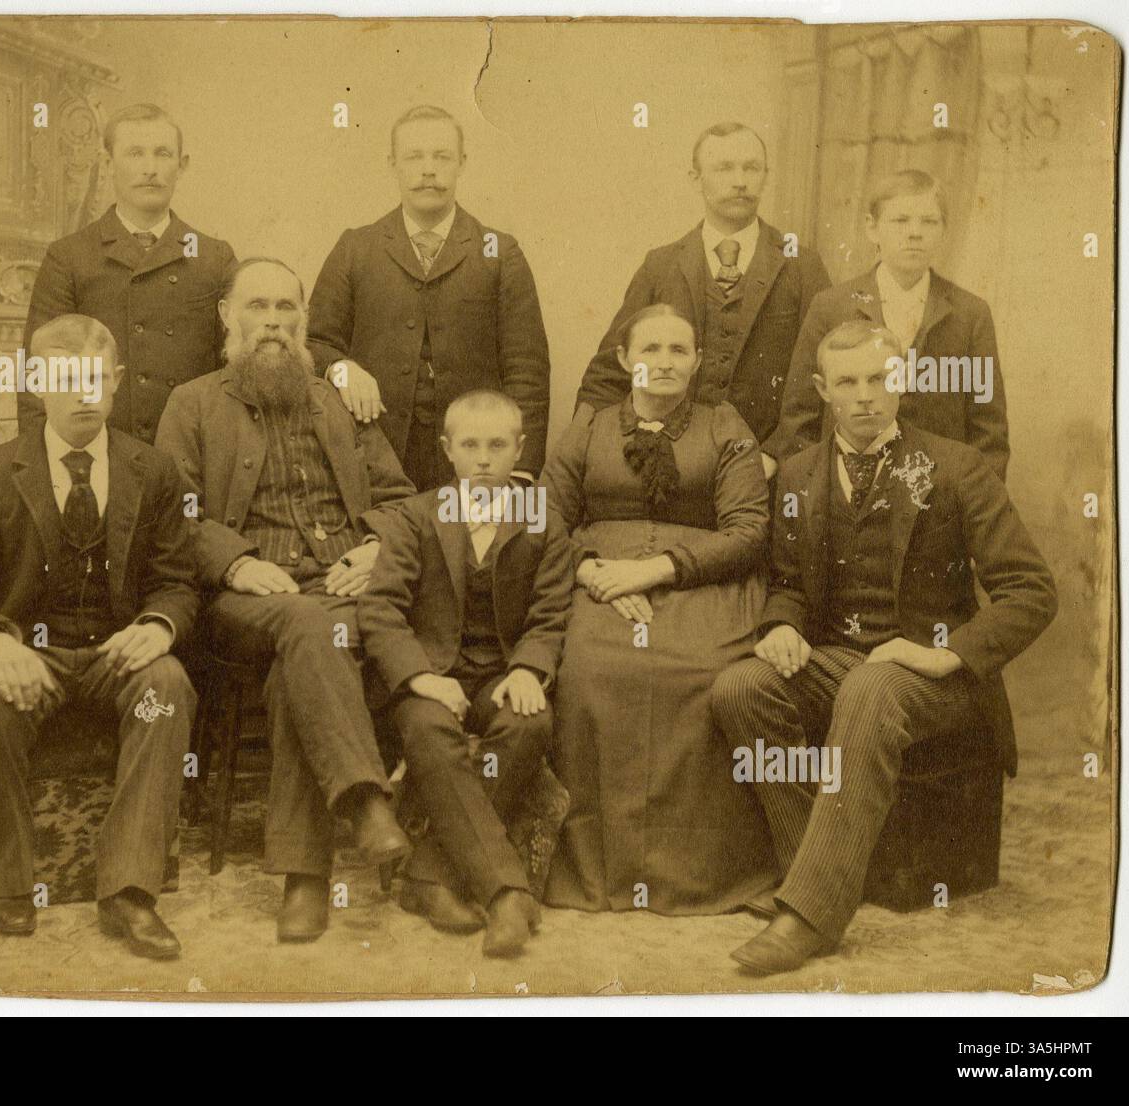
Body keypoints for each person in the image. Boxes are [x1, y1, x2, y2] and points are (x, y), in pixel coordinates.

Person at [711, 320, 1056, 975]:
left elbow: (1032, 591)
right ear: (822, 390)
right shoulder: (797, 472)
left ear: (904, 382)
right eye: (848, 382)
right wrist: (780, 624)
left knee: (874, 686)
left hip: (937, 679)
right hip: (842, 659)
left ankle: (809, 918)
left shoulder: (958, 467)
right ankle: (805, 869)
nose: (867, 395)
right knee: (741, 686)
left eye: (881, 378)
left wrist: (945, 653)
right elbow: (785, 583)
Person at [155, 257, 414, 943]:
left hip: (340, 587)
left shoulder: (337, 401)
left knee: (305, 651)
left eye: (287, 309)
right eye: (258, 307)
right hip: (246, 600)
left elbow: (402, 500)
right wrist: (233, 560)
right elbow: (170, 511)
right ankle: (364, 801)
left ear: (303, 320)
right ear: (227, 316)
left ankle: (305, 877)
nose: (273, 323)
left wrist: (374, 549)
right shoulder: (194, 402)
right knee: (307, 624)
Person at [0, 315, 199, 960]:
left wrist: (158, 625)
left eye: (96, 381)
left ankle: (129, 891)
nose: (84, 397)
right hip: (29, 650)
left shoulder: (152, 470)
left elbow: (179, 582)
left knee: (166, 687)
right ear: (35, 385)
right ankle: (7, 884)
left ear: (117, 383)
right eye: (65, 381)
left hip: (117, 653)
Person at [543, 303, 777, 915]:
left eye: (679, 351)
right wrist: (594, 573)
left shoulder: (725, 426)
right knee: (588, 671)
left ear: (698, 361)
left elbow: (750, 529)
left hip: (704, 583)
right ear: (625, 360)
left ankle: (697, 873)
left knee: (702, 679)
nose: (665, 363)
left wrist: (653, 571)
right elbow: (543, 521)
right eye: (651, 350)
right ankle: (597, 870)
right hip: (600, 581)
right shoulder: (590, 426)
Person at [359, 391, 573, 957]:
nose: (483, 459)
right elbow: (380, 610)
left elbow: (551, 615)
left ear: (520, 451)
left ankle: (430, 873)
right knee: (429, 730)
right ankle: (505, 892)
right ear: (447, 451)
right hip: (433, 675)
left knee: (528, 725)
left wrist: (529, 667)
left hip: (501, 673)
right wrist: (419, 677)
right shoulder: (414, 516)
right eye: (470, 445)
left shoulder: (542, 522)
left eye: (497, 445)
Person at [307, 105, 551, 490]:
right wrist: (343, 369)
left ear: (461, 163)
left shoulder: (499, 252)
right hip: (374, 452)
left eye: (441, 156)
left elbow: (528, 371)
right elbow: (315, 344)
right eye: (414, 156)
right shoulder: (356, 248)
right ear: (393, 164)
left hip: (474, 460)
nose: (428, 169)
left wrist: (520, 472)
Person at [573, 122, 830, 471]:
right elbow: (608, 374)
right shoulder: (661, 265)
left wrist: (776, 455)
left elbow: (826, 377)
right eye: (724, 167)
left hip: (767, 471)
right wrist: (598, 452)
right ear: (696, 178)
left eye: (752, 168)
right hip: (665, 469)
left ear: (766, 175)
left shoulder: (801, 265)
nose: (740, 180)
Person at [764, 170, 1009, 477]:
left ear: (944, 230)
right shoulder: (831, 306)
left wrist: (971, 505)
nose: (915, 233)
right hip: (846, 492)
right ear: (872, 228)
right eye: (900, 220)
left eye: (929, 221)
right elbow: (798, 418)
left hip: (937, 498)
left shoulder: (970, 314)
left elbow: (988, 429)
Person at [22, 103, 236, 444]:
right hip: (103, 457)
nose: (150, 169)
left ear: (182, 166)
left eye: (162, 154)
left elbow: (233, 373)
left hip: (192, 454)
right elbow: (38, 377)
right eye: (135, 153)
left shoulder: (214, 256)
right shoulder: (69, 257)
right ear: (108, 164)